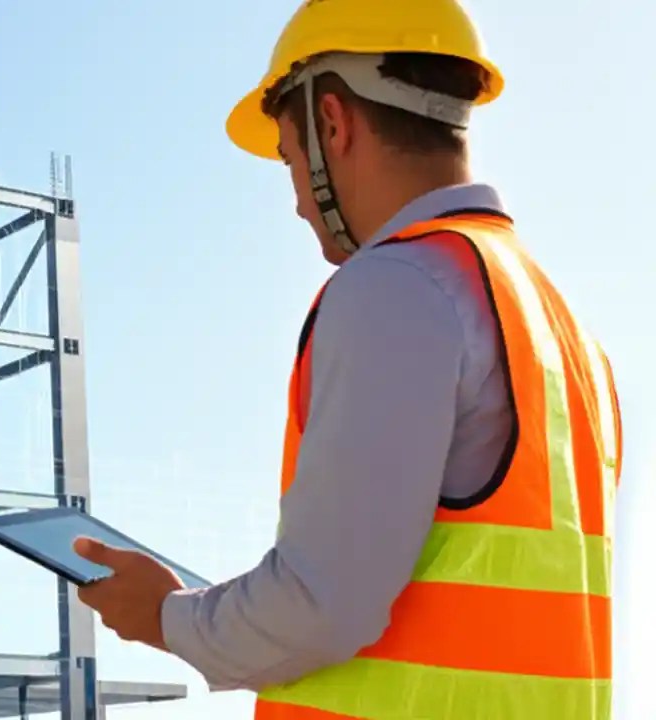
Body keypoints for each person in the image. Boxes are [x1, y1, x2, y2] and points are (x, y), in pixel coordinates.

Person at [72, 1, 624, 717]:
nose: (298, 201)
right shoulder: (565, 332)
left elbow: (321, 602)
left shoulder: (397, 285)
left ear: (332, 123)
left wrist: (164, 616)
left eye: (289, 158)